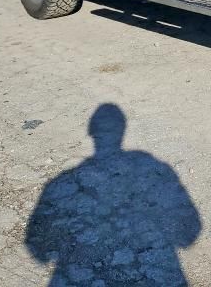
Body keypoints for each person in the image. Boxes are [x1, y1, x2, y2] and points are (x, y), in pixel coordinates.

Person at [25, 104, 201, 285]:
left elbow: (38, 249)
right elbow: (190, 232)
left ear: (92, 133)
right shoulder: (153, 167)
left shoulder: (61, 183)